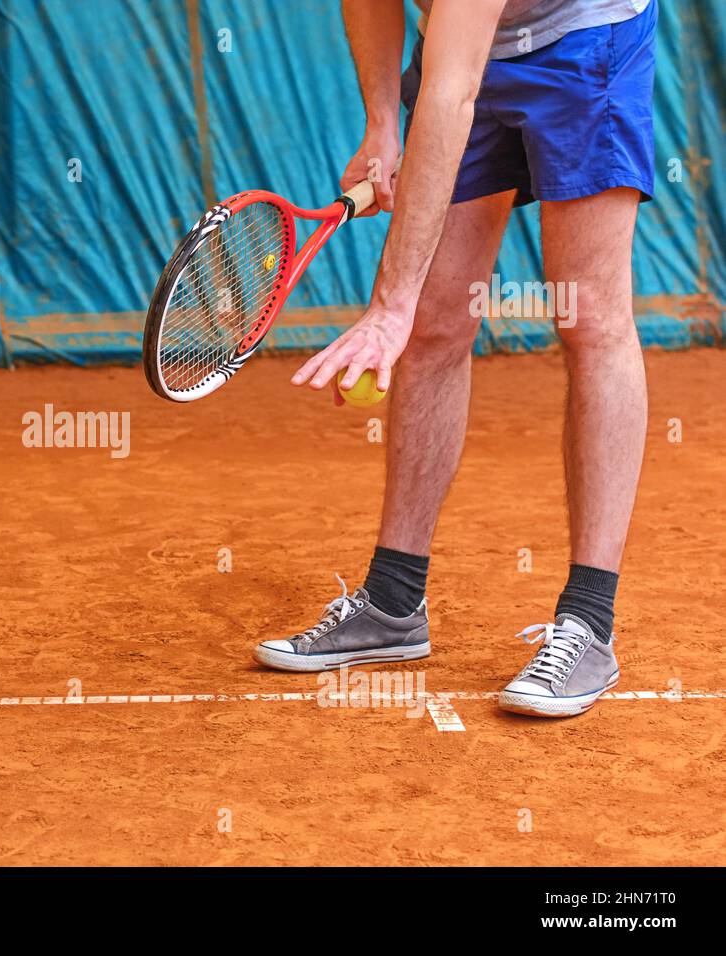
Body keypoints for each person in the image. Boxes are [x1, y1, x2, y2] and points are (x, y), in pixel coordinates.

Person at [253, 0, 657, 717]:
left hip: (586, 36)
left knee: (588, 315)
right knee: (438, 322)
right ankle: (393, 603)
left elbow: (450, 93)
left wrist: (388, 302)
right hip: (465, 46)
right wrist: (380, 122)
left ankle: (589, 622)